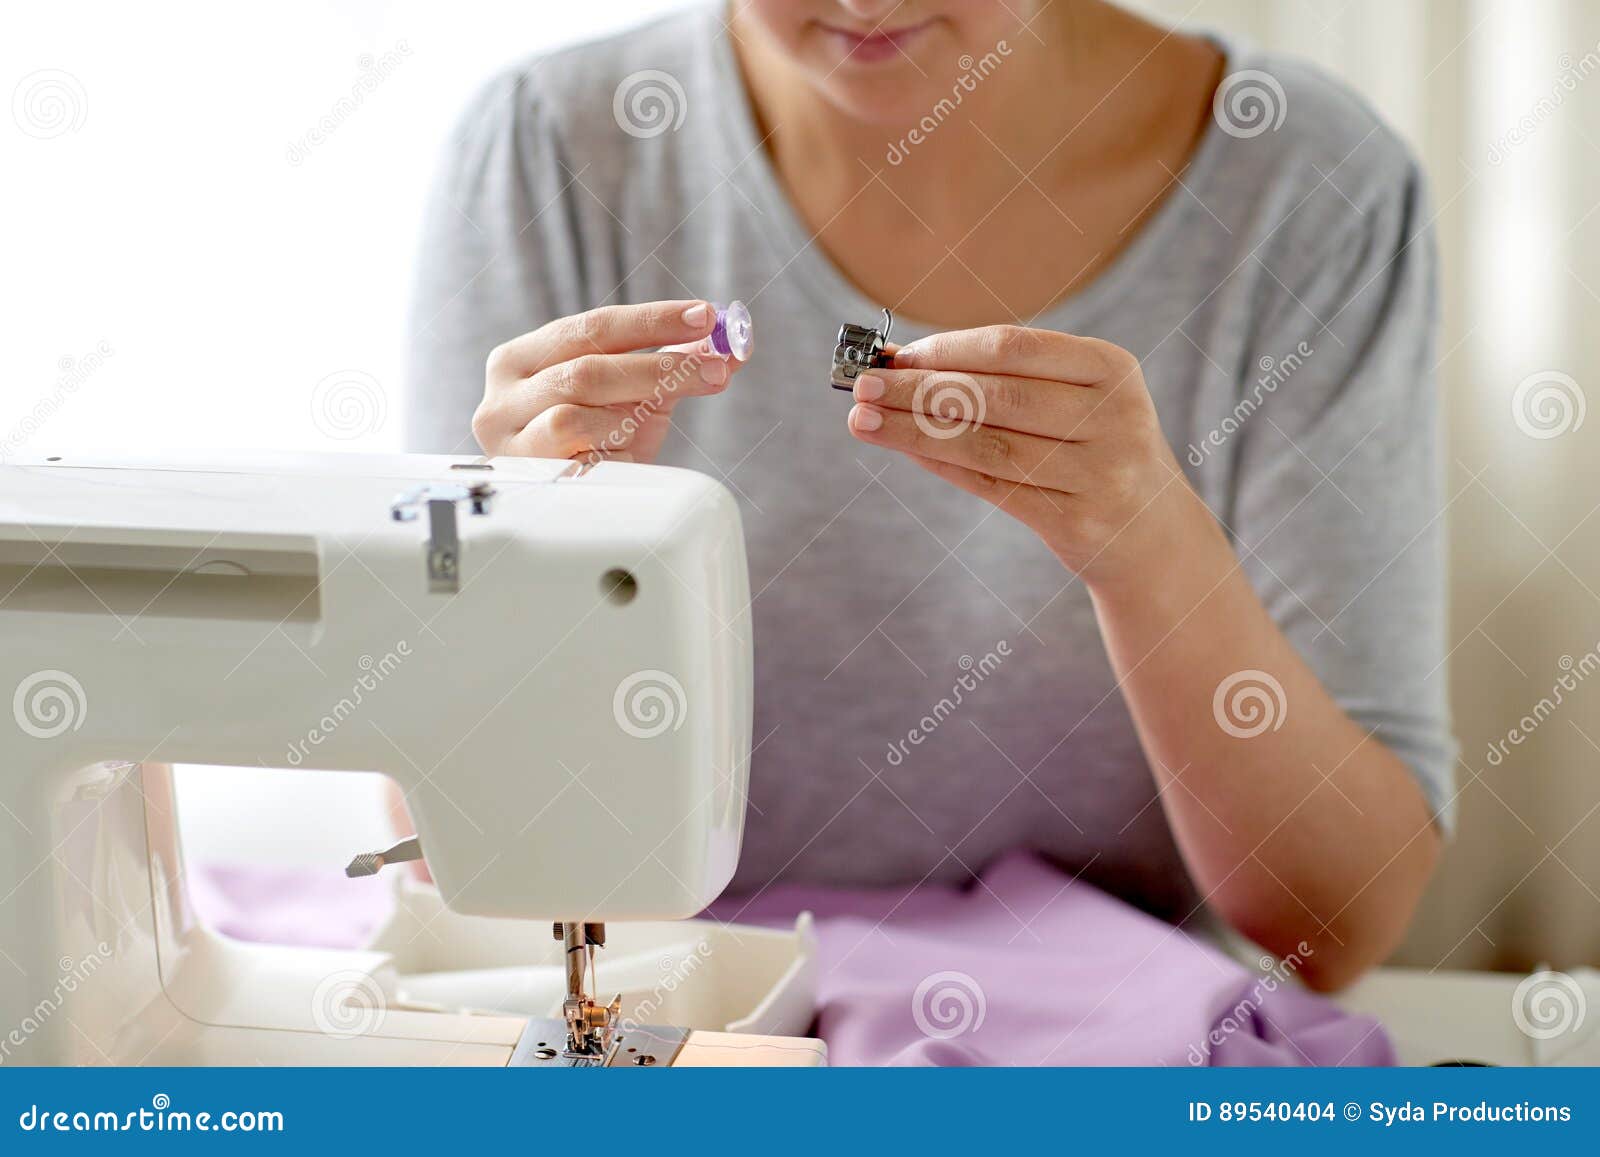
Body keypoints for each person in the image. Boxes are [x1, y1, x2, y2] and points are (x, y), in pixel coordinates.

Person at [404, 0, 1454, 991]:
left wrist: (1148, 551)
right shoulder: (548, 145)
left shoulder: (1312, 186)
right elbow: (443, 840)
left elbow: (1336, 923)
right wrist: (538, 577)